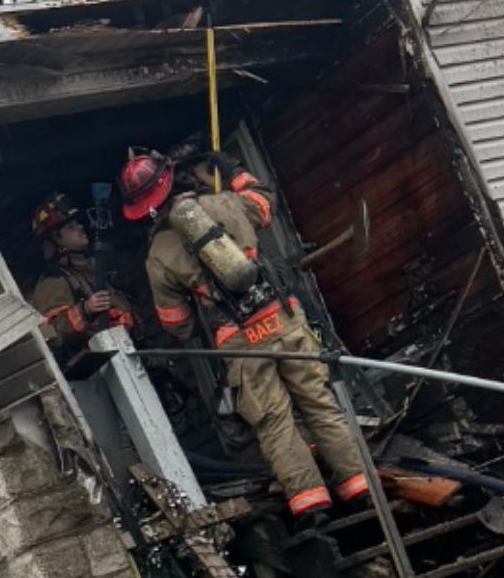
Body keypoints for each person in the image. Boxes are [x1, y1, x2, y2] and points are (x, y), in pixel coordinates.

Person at [121, 148, 370, 524]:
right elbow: (263, 202)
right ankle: (359, 487)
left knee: (273, 422)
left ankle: (311, 504)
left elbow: (177, 324)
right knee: (319, 402)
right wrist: (231, 170)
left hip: (238, 342)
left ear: (146, 207)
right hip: (282, 319)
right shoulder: (225, 203)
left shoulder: (158, 253)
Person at [28, 193, 132, 356]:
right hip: (102, 368)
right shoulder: (52, 282)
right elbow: (50, 335)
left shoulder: (88, 271)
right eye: (71, 226)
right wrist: (85, 310)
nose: (80, 227)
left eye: (78, 223)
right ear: (55, 240)